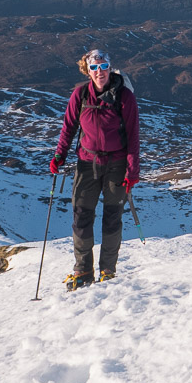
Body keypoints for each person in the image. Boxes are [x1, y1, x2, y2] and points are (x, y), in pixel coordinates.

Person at [50, 48, 140, 289]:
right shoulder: (80, 95)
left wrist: (132, 170)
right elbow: (69, 127)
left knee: (112, 218)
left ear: (110, 68)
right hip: (87, 164)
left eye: (104, 66)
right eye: (94, 68)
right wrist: (59, 155)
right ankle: (83, 270)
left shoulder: (125, 97)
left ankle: (108, 270)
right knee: (81, 216)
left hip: (117, 165)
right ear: (87, 71)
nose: (100, 72)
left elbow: (133, 135)